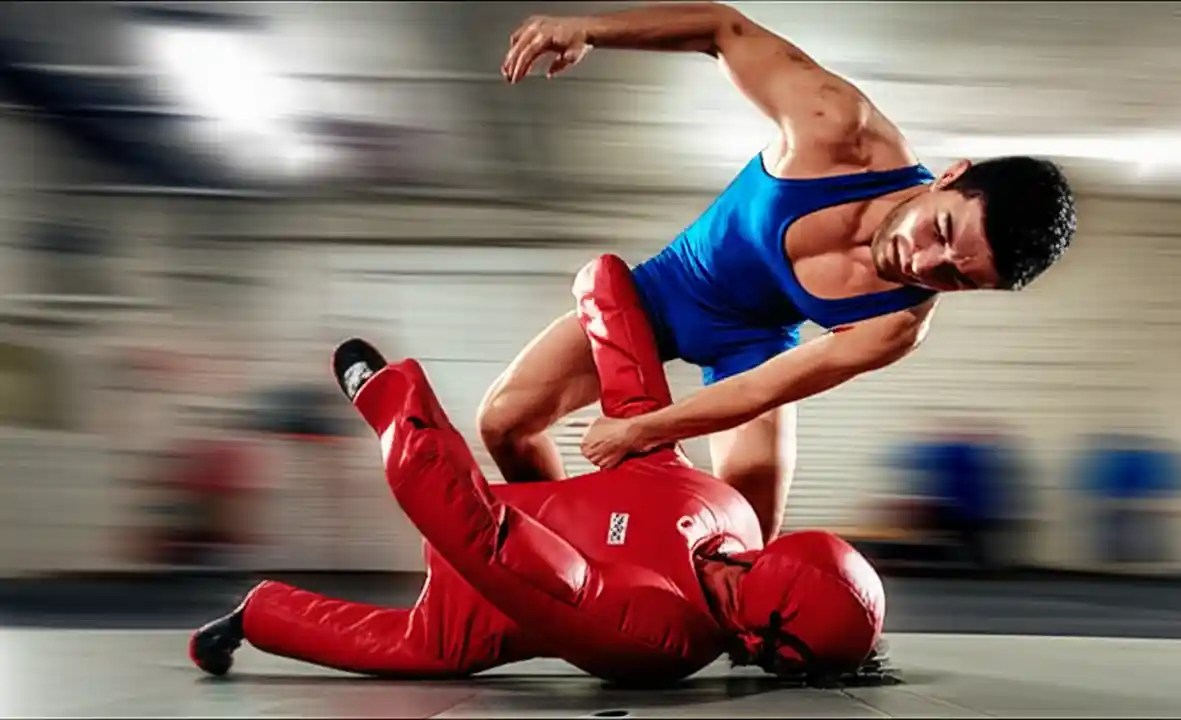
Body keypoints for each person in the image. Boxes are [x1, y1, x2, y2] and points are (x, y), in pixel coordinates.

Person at [483, 2, 1077, 541]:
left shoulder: (899, 324)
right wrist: (589, 29)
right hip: (663, 292)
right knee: (504, 423)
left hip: (754, 352)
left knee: (744, 545)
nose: (922, 265)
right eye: (941, 232)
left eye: (959, 279)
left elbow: (765, 387)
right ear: (950, 175)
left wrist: (643, 431)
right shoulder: (841, 128)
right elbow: (723, 29)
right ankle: (547, 556)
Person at [188, 255, 888, 687]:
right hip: (505, 512)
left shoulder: (659, 633)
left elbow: (502, 551)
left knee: (417, 649)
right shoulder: (724, 517)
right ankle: (252, 615)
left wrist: (392, 407)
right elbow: (641, 422)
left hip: (483, 587)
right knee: (411, 643)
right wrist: (609, 298)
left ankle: (255, 613)